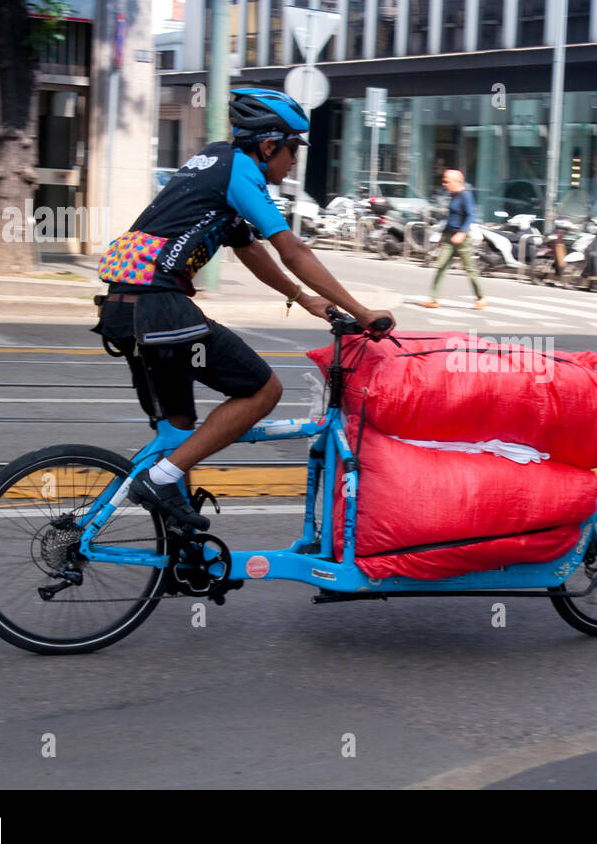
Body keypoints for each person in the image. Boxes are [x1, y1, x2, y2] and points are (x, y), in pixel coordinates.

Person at [92, 87, 395, 529]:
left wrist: (303, 298)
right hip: (159, 308)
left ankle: (180, 550)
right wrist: (362, 312)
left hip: (124, 309)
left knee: (179, 433)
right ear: (269, 144)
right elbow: (291, 249)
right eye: (293, 149)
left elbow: (249, 249)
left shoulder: (214, 163)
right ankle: (159, 482)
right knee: (263, 391)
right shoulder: (240, 172)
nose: (294, 162)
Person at [419, 168, 487, 309]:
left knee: (470, 269)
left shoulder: (465, 196)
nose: (444, 184)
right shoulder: (453, 196)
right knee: (441, 266)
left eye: (447, 181)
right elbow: (450, 218)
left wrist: (462, 233)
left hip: (462, 238)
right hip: (450, 236)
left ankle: (481, 298)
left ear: (457, 182)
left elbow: (470, 216)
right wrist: (443, 236)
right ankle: (433, 299)